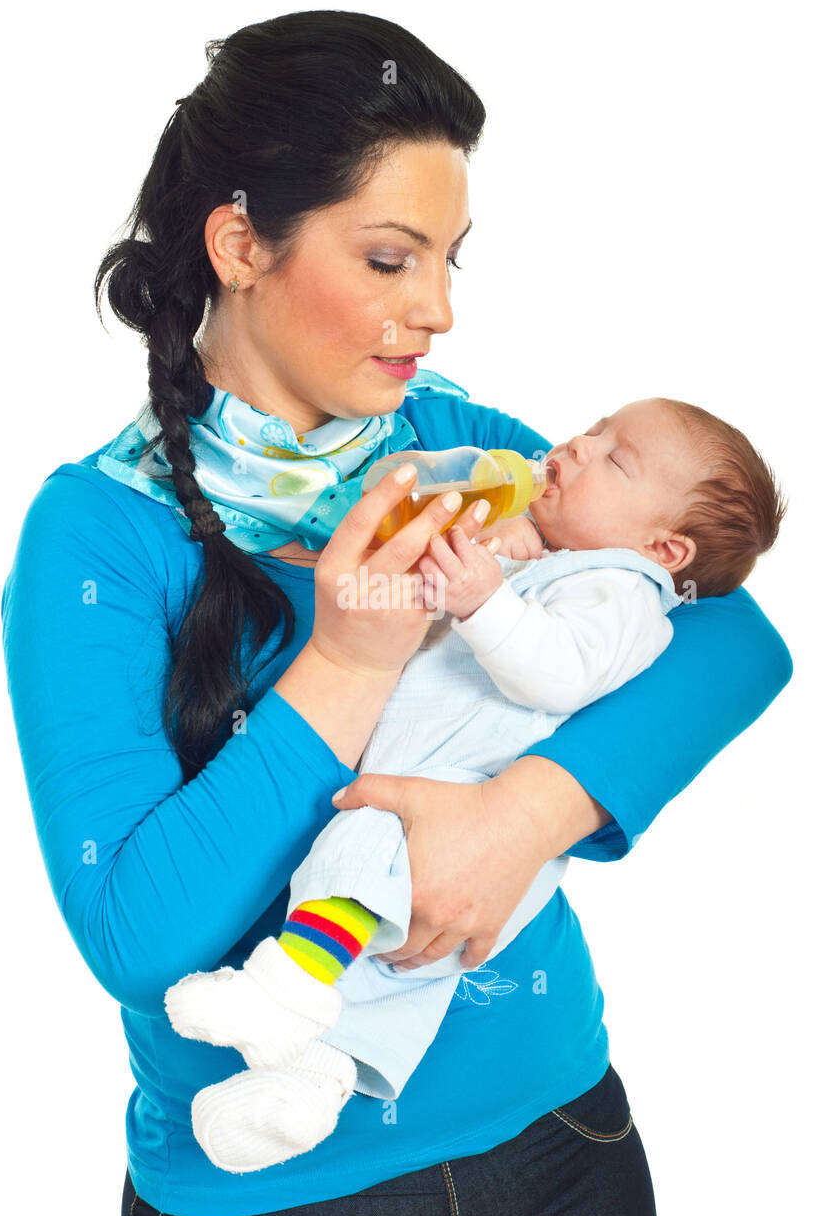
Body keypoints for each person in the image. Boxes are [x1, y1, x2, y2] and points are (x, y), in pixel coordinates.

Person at [0, 12, 792, 1216]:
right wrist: (346, 661)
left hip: (567, 1144)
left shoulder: (459, 448)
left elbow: (734, 638)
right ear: (240, 243)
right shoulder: (98, 535)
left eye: (449, 261)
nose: (437, 312)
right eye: (388, 260)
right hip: (269, 1203)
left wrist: (525, 813)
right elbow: (139, 936)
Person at [161, 395, 785, 1174]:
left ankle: (283, 988)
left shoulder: (623, 592)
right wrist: (498, 550)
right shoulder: (557, 546)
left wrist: (487, 595)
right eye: (592, 429)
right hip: (438, 790)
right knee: (393, 980)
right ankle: (311, 1086)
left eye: (614, 458)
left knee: (359, 856)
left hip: (460, 786)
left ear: (662, 548)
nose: (578, 446)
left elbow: (558, 671)